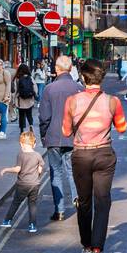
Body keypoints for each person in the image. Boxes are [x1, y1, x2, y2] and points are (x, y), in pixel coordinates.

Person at [62, 60, 127, 253]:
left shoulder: (72, 101)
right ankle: (98, 251)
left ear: (83, 78)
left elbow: (65, 132)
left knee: (84, 202)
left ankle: (87, 246)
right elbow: (122, 128)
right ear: (102, 78)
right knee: (103, 201)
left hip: (81, 155)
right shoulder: (112, 101)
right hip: (104, 154)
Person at [38, 54, 82, 222]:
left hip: (54, 137)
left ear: (56, 69)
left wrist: (44, 135)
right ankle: (78, 203)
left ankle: (60, 211)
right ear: (70, 68)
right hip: (73, 137)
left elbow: (44, 117)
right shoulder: (79, 88)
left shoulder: (49, 89)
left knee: (56, 173)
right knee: (72, 172)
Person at [0, 130, 46, 233]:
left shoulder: (21, 155)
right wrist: (37, 174)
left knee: (16, 203)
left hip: (23, 184)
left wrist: (6, 169)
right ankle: (32, 225)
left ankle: (7, 221)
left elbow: (17, 169)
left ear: (21, 144)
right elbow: (40, 169)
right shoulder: (38, 155)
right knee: (32, 204)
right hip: (35, 184)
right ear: (34, 144)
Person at [14, 63, 38, 134]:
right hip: (29, 99)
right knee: (29, 114)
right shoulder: (30, 78)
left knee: (21, 115)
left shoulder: (18, 78)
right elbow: (35, 87)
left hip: (21, 99)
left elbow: (15, 90)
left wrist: (14, 100)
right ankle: (31, 125)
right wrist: (34, 95)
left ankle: (22, 130)